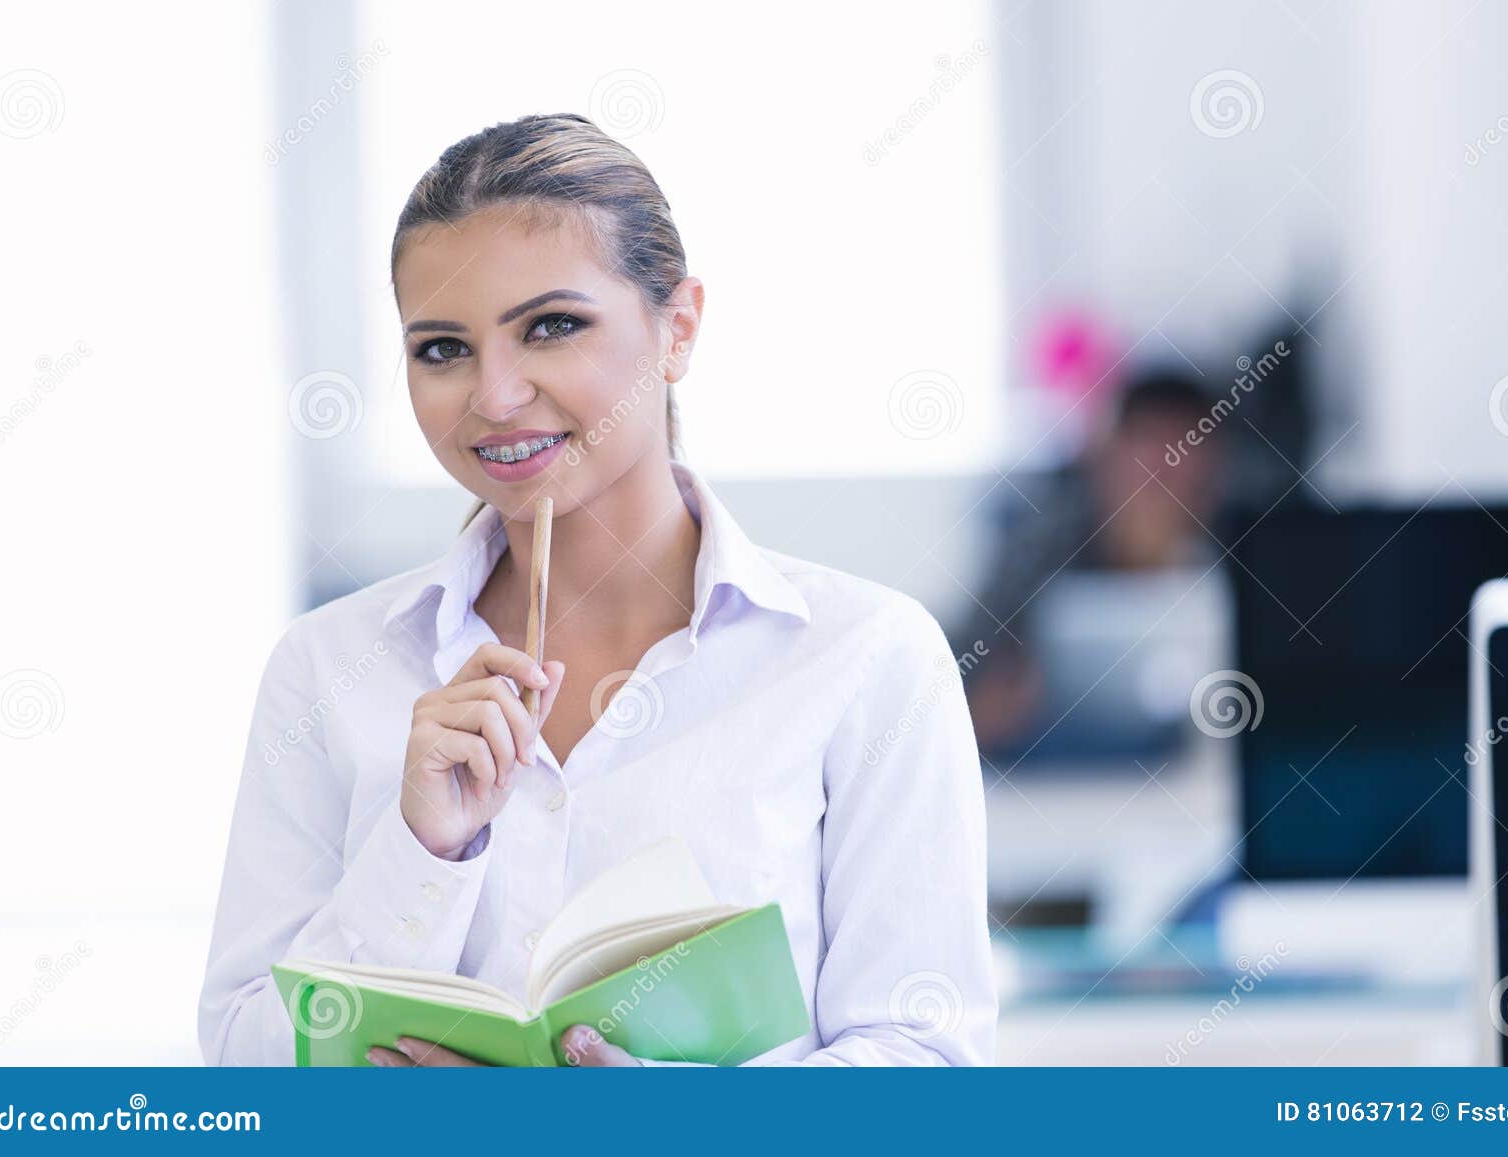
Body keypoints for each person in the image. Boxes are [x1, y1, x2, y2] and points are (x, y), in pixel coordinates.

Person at [198, 114, 995, 1067]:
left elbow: (928, 1063)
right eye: (442, 348)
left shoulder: (867, 658)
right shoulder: (327, 667)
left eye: (552, 326)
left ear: (678, 328)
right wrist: (418, 849)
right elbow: (241, 1066)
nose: (493, 395)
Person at [955, 370, 1226, 755]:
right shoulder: (1042, 543)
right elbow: (970, 674)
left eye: (1184, 452)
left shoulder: (1235, 551)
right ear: (1108, 458)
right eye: (1150, 449)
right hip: (1060, 786)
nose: (1165, 469)